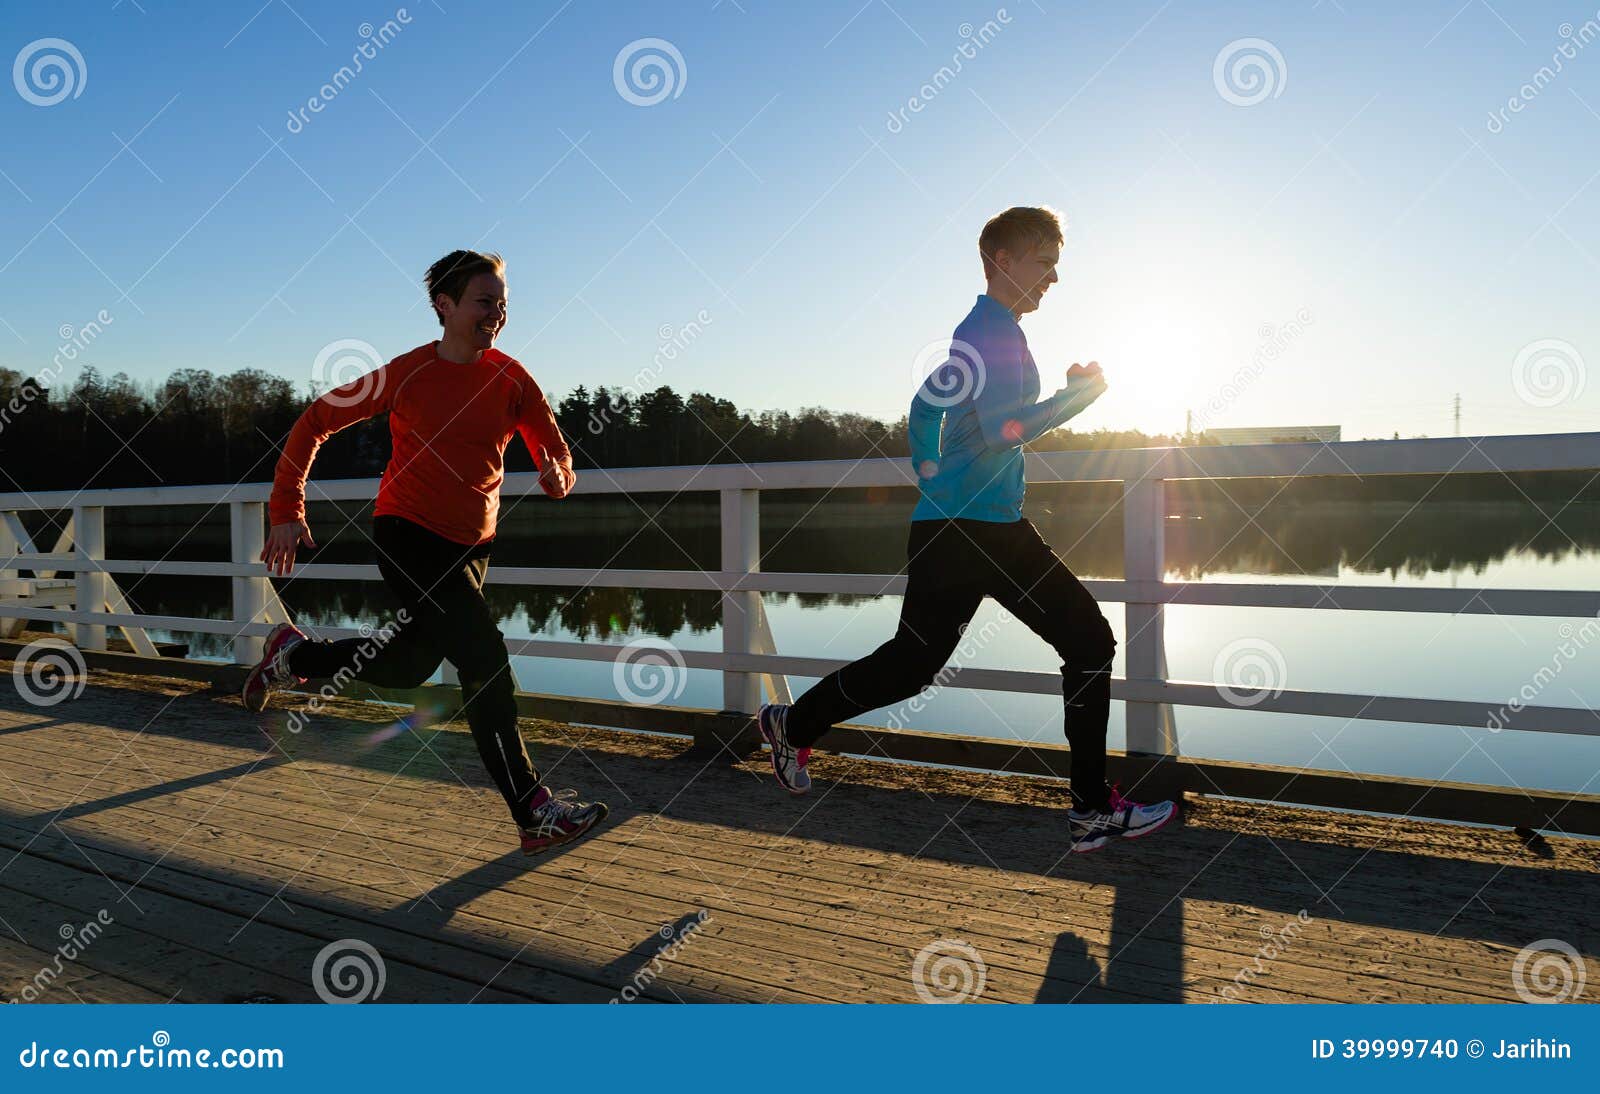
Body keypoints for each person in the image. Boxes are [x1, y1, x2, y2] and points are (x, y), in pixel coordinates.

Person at [755, 207, 1176, 853]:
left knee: (911, 666)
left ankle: (794, 723)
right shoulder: (993, 334)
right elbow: (1011, 429)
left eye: (1057, 263)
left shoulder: (976, 331)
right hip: (981, 531)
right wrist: (1081, 395)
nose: (1054, 276)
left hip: (954, 527)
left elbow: (927, 405)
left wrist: (929, 468)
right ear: (1003, 260)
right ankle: (1091, 812)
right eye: (1044, 260)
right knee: (1088, 644)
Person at [242, 249, 608, 855]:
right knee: (484, 658)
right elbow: (314, 422)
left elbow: (554, 446)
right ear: (445, 306)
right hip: (407, 533)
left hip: (472, 548)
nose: (498, 313)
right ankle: (532, 809)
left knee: (411, 664)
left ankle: (294, 657)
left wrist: (556, 471)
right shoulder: (407, 373)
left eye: (503, 303)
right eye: (484, 302)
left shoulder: (512, 377)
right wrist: (287, 509)